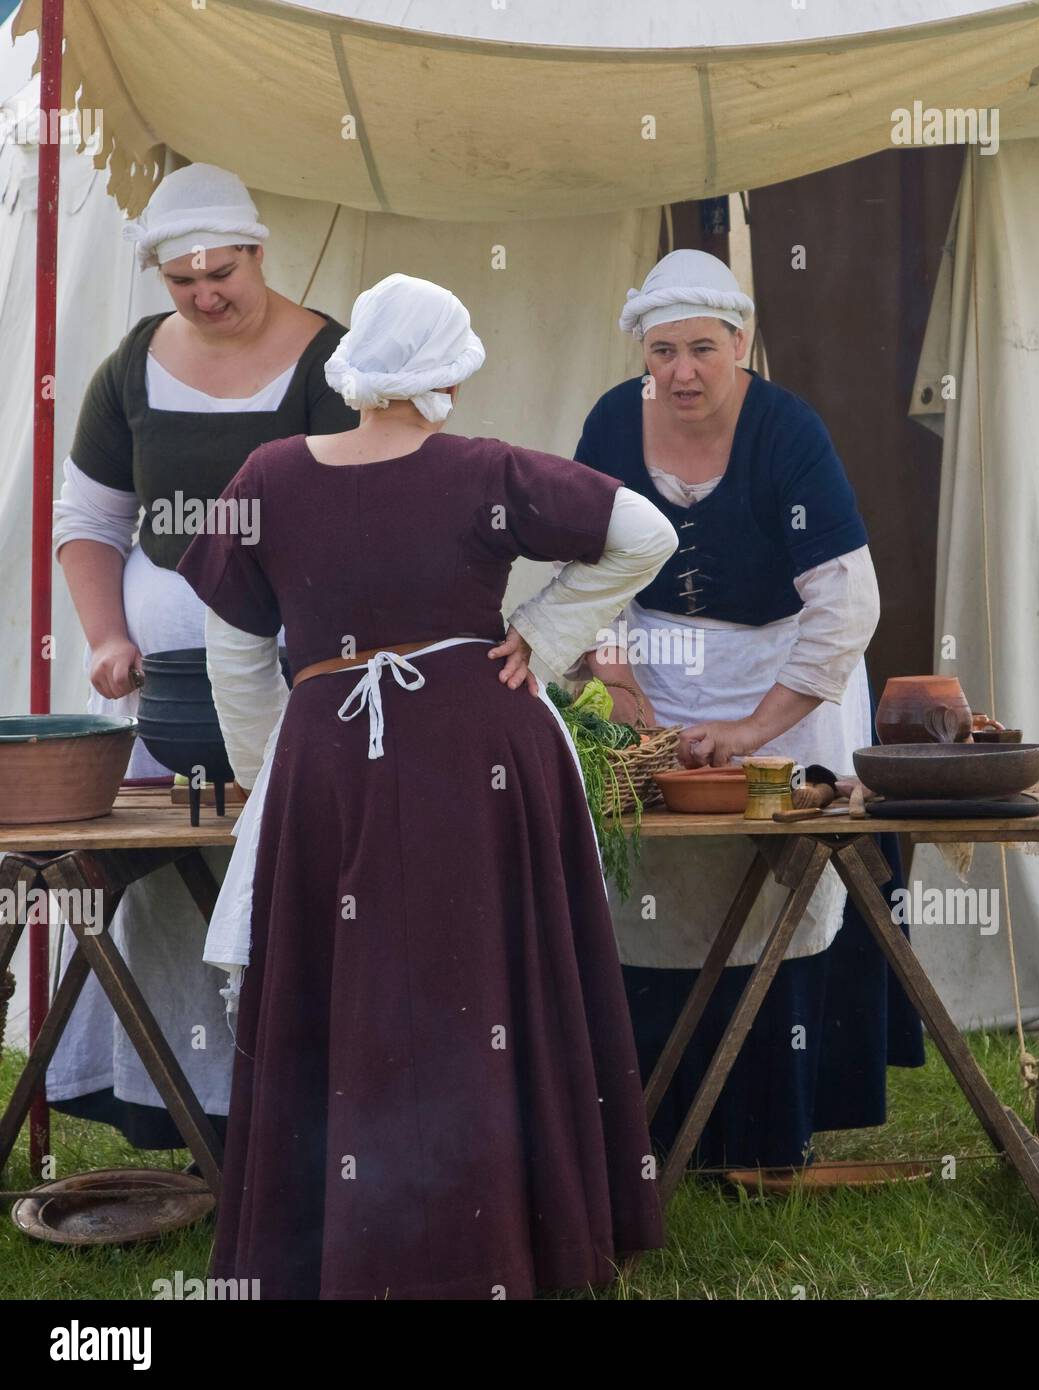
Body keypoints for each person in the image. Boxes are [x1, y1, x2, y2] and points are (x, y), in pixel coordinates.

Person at [176, 274, 675, 1299]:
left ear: (353, 365)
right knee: (482, 983)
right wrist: (543, 631)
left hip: (333, 763)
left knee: (344, 989)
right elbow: (647, 533)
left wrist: (274, 769)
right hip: (475, 750)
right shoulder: (484, 467)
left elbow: (232, 650)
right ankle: (498, 1246)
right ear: (448, 370)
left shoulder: (270, 473)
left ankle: (338, 1248)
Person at [569, 249, 925, 1170]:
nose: (681, 372)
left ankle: (773, 1126)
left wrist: (754, 730)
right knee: (657, 891)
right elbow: (583, 574)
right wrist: (615, 676)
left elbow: (847, 601)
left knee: (788, 886)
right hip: (657, 659)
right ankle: (654, 1125)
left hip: (788, 670)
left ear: (742, 342)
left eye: (702, 349)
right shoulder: (613, 423)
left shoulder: (786, 430)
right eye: (662, 352)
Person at [48, 163, 358, 1148]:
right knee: (164, 887)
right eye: (183, 281)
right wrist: (106, 634)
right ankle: (170, 1102)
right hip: (160, 697)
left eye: (222, 272)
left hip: (291, 685)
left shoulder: (330, 361)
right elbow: (91, 520)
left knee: (289, 878)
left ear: (259, 252)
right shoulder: (131, 367)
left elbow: (362, 521)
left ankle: (299, 1110)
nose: (206, 293)